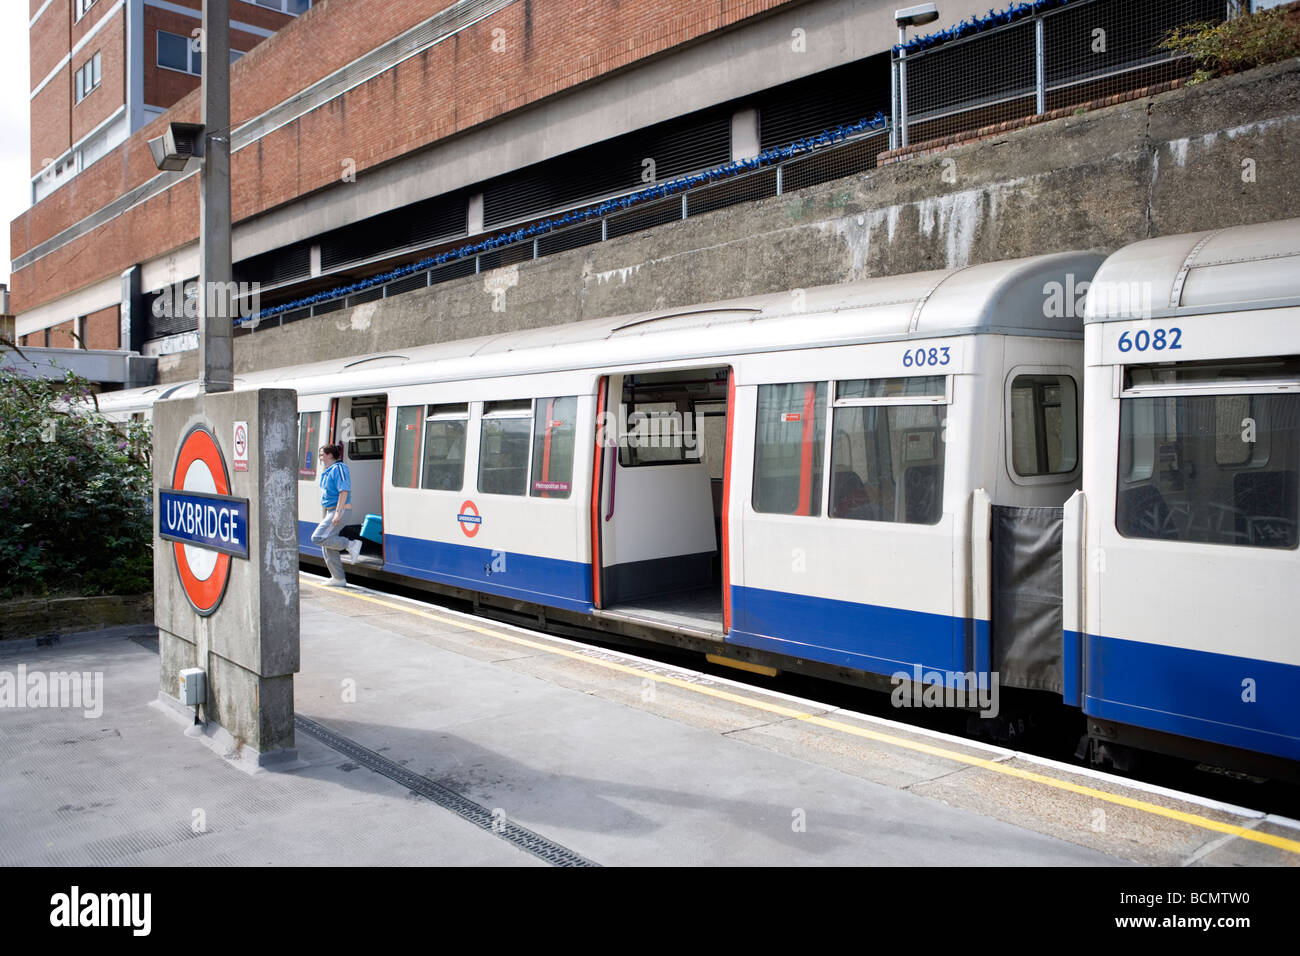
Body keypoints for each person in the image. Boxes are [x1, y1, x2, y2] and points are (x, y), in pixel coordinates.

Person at [311, 443, 362, 586]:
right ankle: (338, 578)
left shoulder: (339, 468)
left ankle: (351, 544)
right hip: (332, 510)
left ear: (329, 455)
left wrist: (338, 513)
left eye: (321, 454)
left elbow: (344, 491)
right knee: (327, 543)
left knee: (318, 537)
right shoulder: (329, 470)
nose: (320, 458)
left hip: (340, 510)